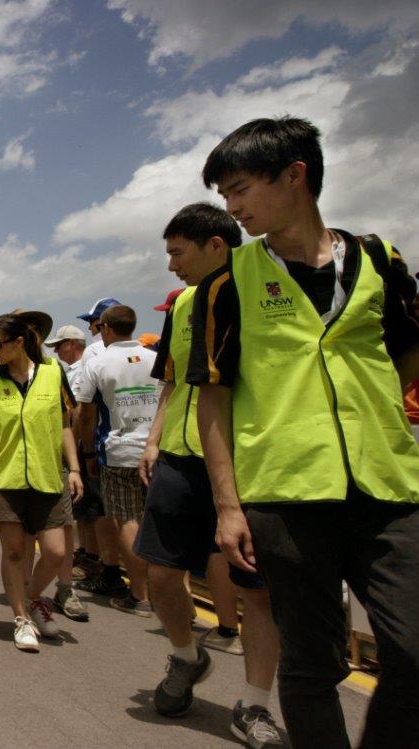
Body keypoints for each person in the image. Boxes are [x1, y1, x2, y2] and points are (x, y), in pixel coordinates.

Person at [190, 116, 419, 748]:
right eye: (224, 195)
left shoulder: (380, 260)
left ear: (296, 176)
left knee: (413, 653)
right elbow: (213, 400)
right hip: (285, 495)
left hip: (387, 487)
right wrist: (229, 506)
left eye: (239, 189)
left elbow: (405, 352)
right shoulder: (226, 283)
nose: (230, 208)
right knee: (314, 663)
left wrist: (377, 415)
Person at [134, 202, 284, 746]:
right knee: (159, 573)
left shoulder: (268, 291)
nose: (172, 265)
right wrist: (153, 440)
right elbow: (171, 381)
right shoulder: (184, 305)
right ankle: (185, 656)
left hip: (250, 461)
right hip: (179, 456)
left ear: (215, 246)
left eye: (178, 252)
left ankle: (255, 705)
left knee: (257, 589)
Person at [0, 313, 83, 653]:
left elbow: (65, 425)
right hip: (5, 478)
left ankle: (34, 597)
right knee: (15, 551)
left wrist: (75, 469)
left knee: (56, 551)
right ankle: (21, 618)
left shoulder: (52, 374)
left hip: (47, 476)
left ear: (19, 342)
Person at [72, 304, 158, 616]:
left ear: (106, 327)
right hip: (157, 449)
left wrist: (89, 452)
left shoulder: (98, 361)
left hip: (118, 451)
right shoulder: (154, 357)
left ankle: (140, 595)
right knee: (157, 521)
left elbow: (86, 414)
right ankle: (170, 595)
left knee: (127, 519)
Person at [43, 323, 93, 623]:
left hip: (56, 463)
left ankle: (64, 589)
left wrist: (75, 464)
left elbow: (69, 419)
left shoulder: (55, 371)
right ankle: (26, 597)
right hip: (15, 469)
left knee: (62, 531)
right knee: (19, 541)